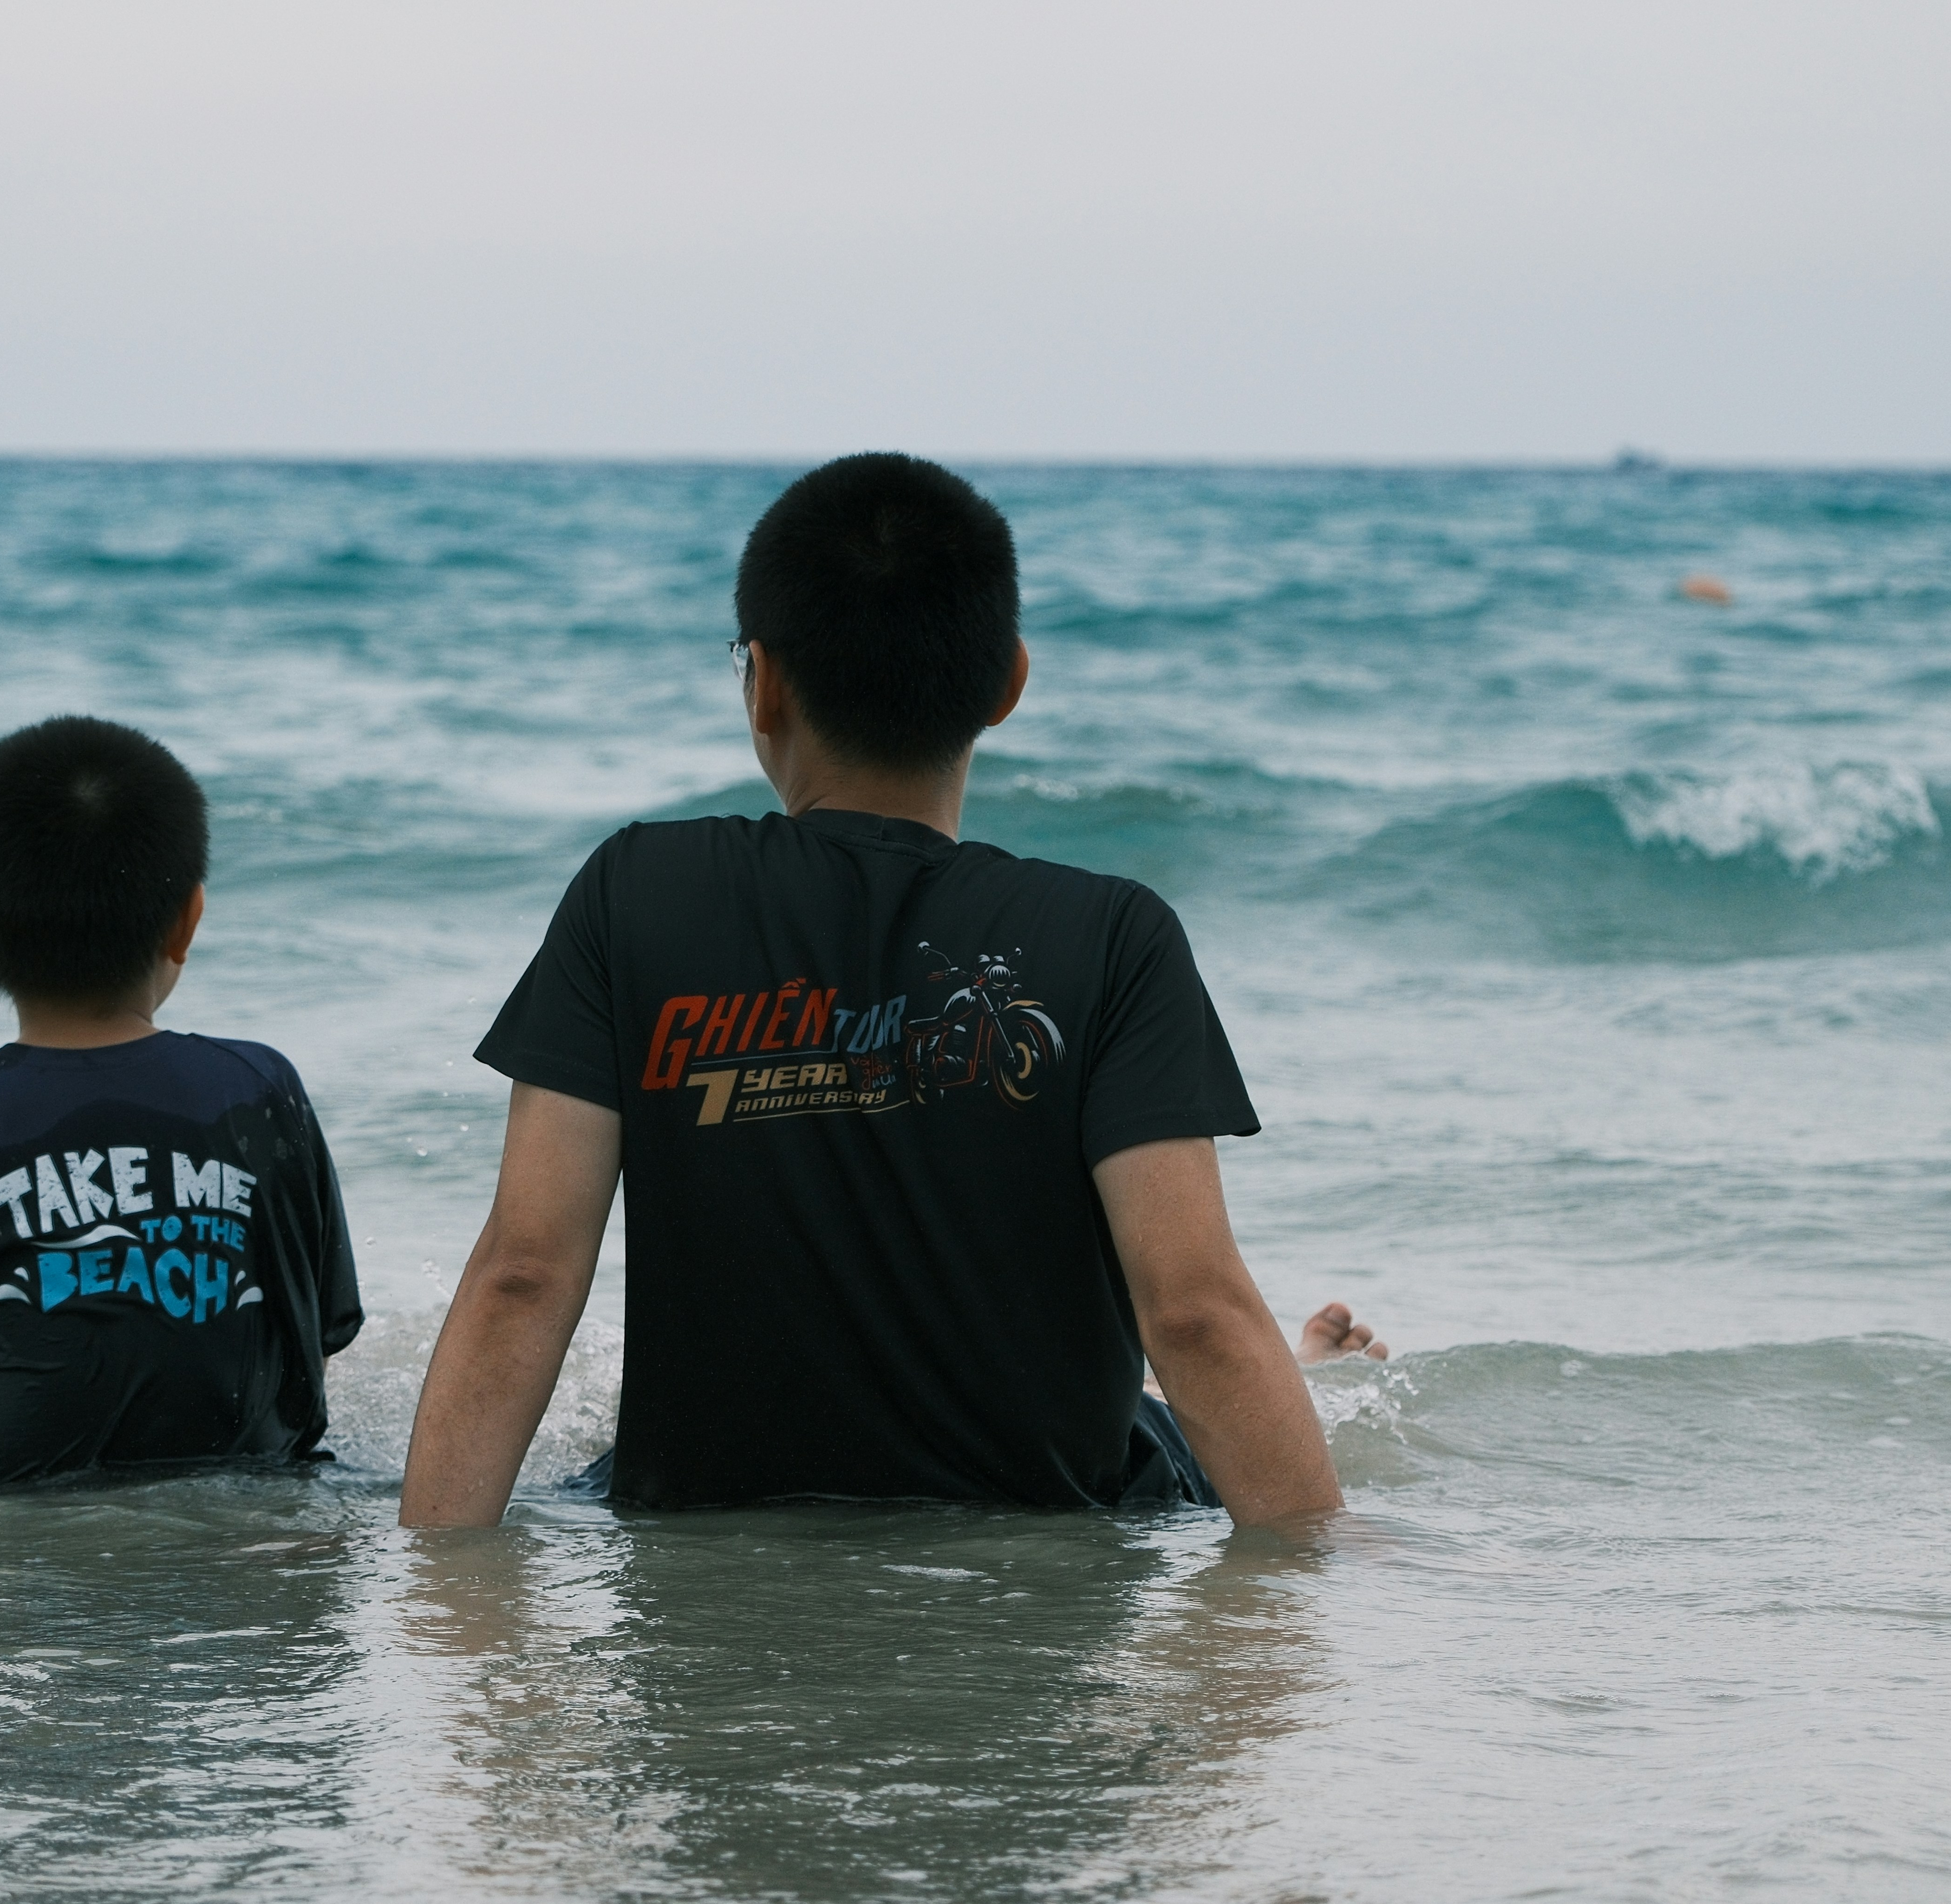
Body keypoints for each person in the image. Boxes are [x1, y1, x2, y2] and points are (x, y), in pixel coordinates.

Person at [397, 454, 1383, 1531]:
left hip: (707, 1523)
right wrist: (1327, 1574)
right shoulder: (1114, 936)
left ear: (763, 683)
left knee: (593, 1468)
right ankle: (1294, 1386)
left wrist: (437, 1583)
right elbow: (1193, 1313)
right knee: (1160, 1426)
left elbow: (525, 1275)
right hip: (1033, 1541)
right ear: (1009, 684)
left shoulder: (633, 894)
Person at [0, 717, 361, 1493]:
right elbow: (322, 1329)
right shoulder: (258, 1087)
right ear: (188, 920)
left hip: (6, 1504)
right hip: (255, 1485)